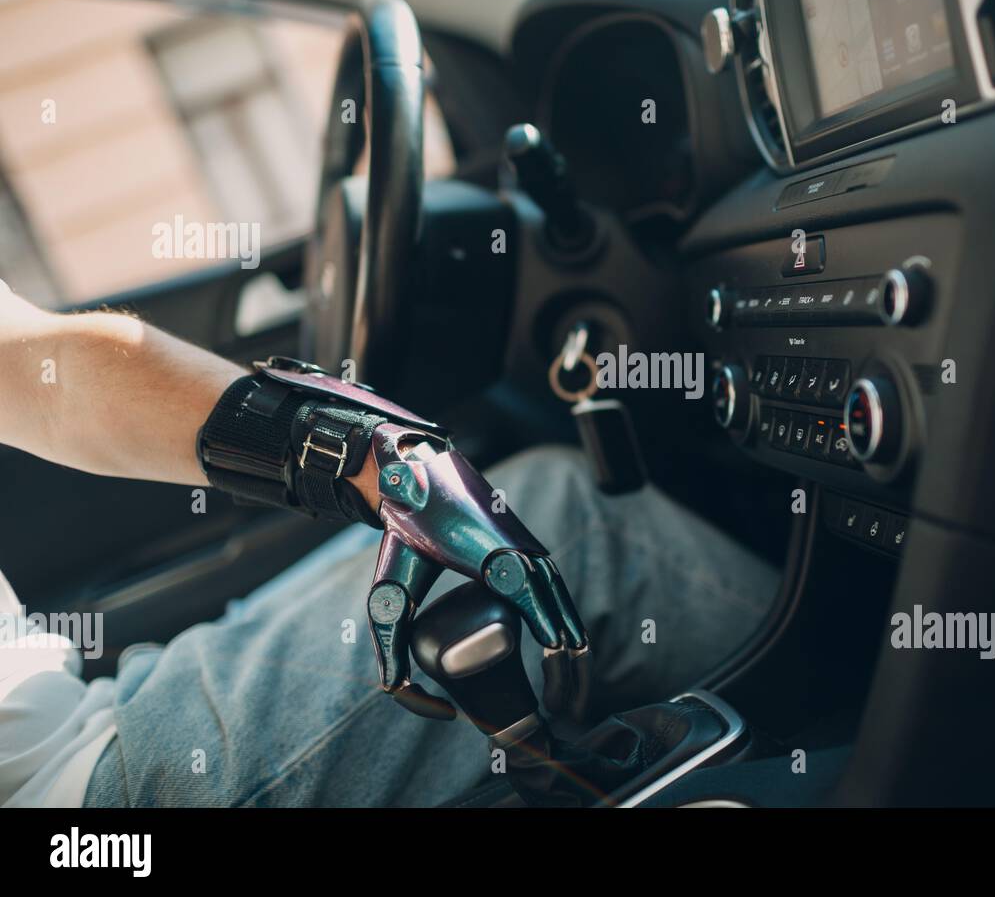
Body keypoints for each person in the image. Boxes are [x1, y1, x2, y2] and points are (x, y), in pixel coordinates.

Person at [0, 278, 780, 806]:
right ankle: (869, 732)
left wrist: (363, 455)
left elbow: (37, 370)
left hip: (98, 722)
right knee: (573, 517)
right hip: (93, 791)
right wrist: (365, 457)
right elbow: (39, 369)